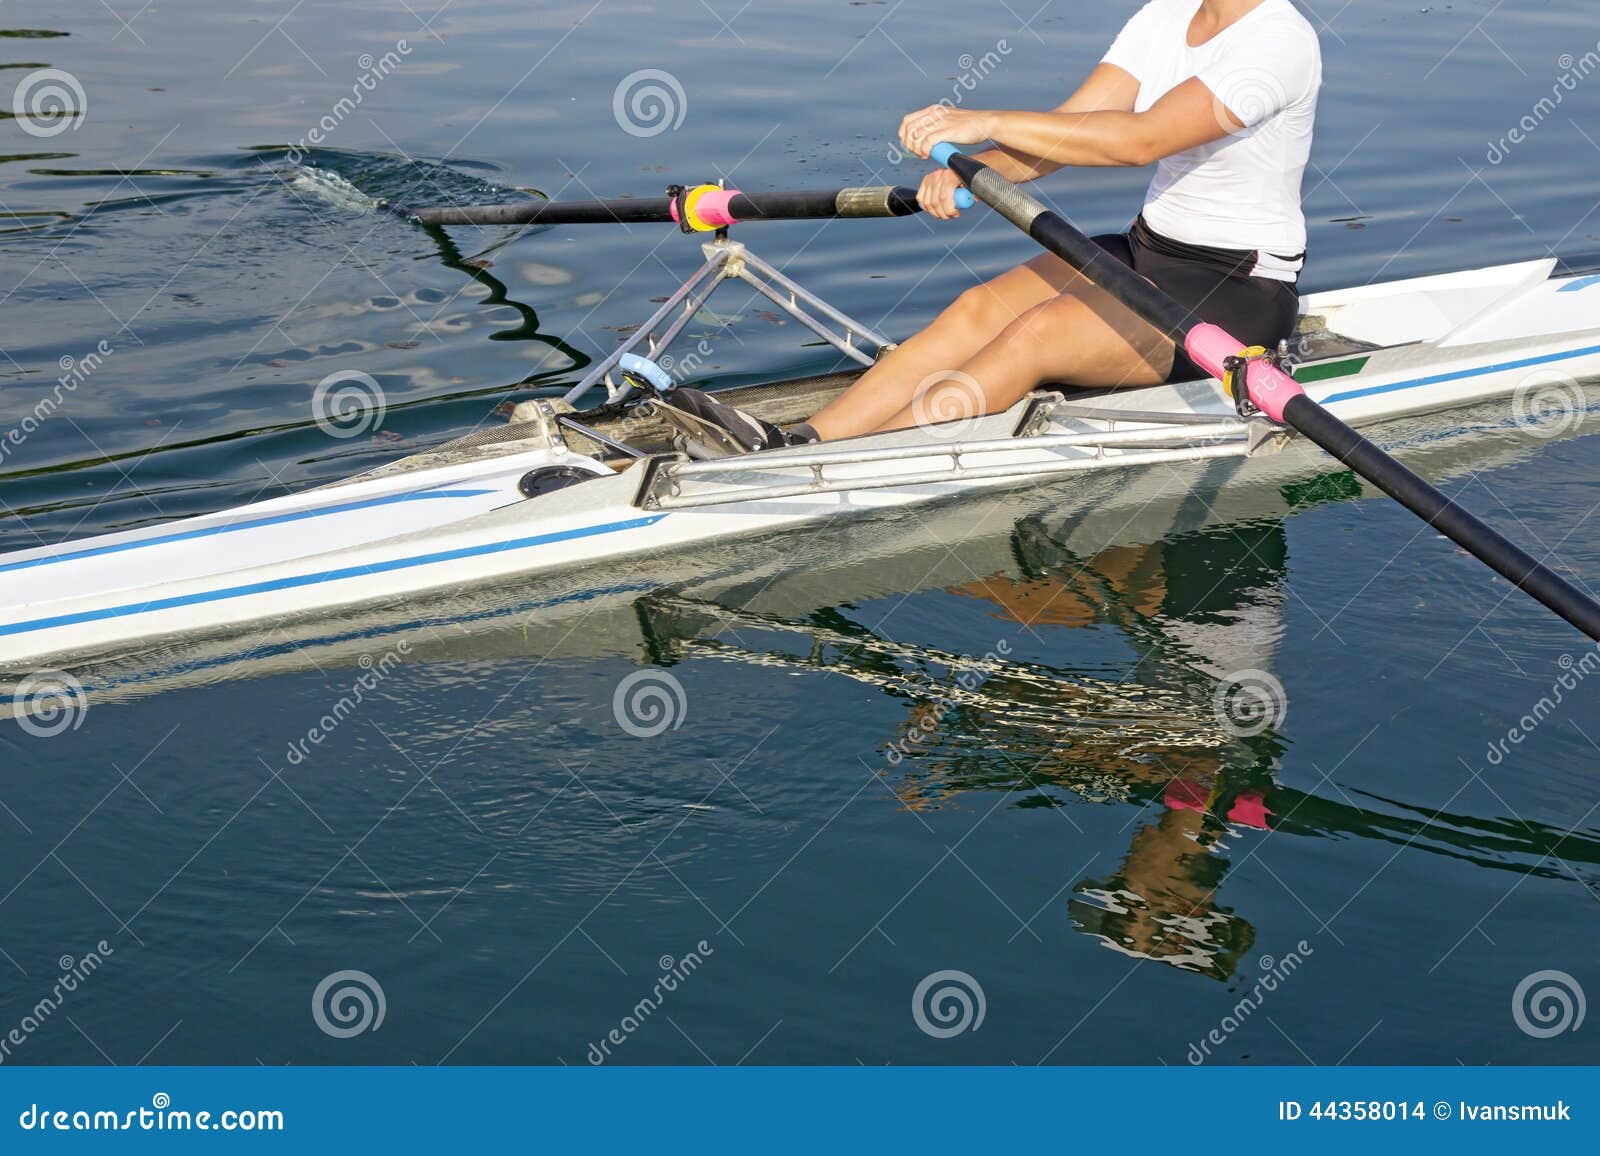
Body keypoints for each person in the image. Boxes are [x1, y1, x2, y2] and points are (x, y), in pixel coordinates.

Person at [672, 0, 1322, 452]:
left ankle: (852, 467)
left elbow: (1139, 141)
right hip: (1146, 251)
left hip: (1237, 292)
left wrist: (984, 120)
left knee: (1035, 335)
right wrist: (972, 170)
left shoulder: (1277, 43)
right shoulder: (1162, 18)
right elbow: (1073, 131)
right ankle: (801, 442)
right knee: (976, 310)